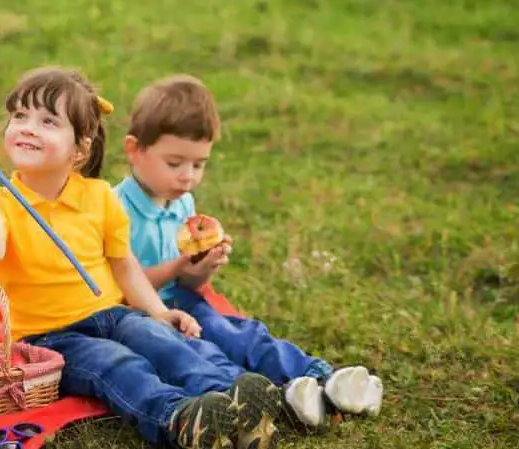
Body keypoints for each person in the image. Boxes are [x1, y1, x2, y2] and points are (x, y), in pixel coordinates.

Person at [0, 67, 284, 449]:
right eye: (19, 116)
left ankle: (232, 402)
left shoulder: (98, 197)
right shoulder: (2, 201)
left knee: (158, 341)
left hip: (111, 313)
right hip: (51, 337)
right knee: (116, 363)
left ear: (80, 148)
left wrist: (159, 311)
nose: (27, 128)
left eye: (47, 121)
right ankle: (180, 419)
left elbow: (125, 265)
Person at [113, 74, 383, 429]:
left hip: (182, 300)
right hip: (141, 314)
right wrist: (178, 266)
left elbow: (191, 284)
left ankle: (321, 377)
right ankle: (266, 399)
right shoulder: (115, 207)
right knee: (201, 349)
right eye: (175, 163)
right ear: (134, 150)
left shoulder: (183, 202)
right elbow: (120, 283)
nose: (188, 177)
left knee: (240, 333)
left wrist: (203, 266)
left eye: (199, 165)